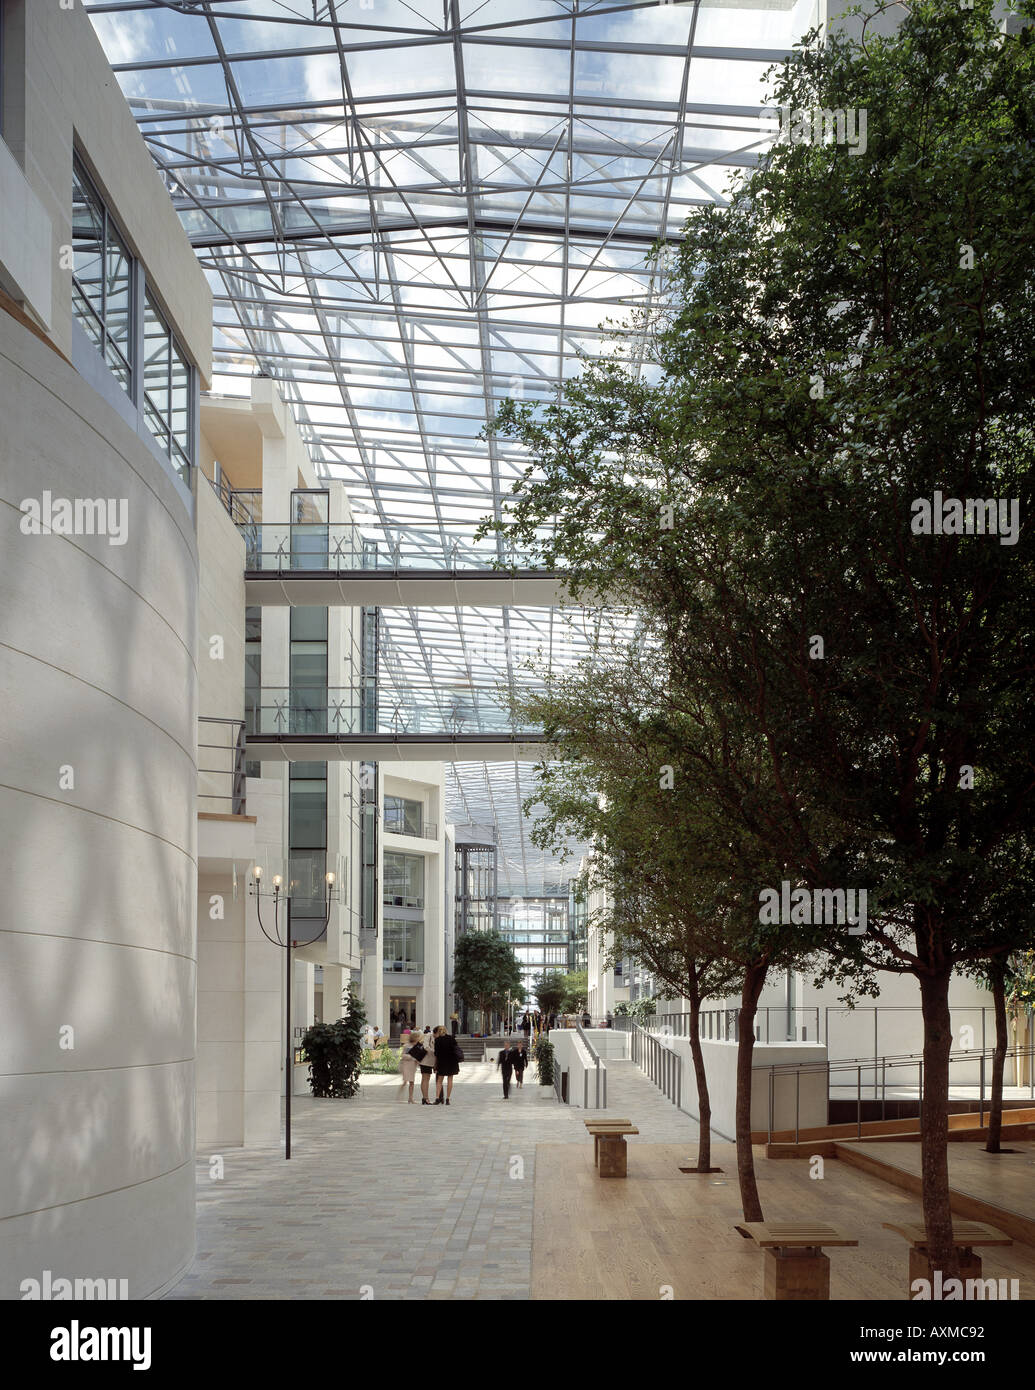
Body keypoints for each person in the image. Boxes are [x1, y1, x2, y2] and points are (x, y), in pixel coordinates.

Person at [434, 1024, 462, 1105]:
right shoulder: (451, 1038)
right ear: (446, 1031)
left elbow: (436, 1053)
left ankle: (437, 1098)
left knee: (439, 1081)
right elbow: (456, 1049)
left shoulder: (437, 1040)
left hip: (442, 1061)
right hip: (452, 1061)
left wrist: (435, 1064)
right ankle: (447, 1099)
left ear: (438, 1032)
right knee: (450, 1080)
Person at [414, 1026, 436, 1104]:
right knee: (425, 1079)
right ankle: (425, 1098)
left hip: (430, 1061)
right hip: (425, 1061)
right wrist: (434, 1052)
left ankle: (425, 1098)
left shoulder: (435, 1037)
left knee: (427, 1079)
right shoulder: (428, 1035)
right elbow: (426, 1047)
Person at [398, 1031, 419, 1103]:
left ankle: (410, 1098)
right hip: (406, 1065)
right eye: (417, 1038)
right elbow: (403, 1055)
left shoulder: (417, 1046)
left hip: (413, 1066)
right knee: (405, 1081)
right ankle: (399, 1096)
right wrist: (411, 1057)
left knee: (412, 1082)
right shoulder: (407, 1046)